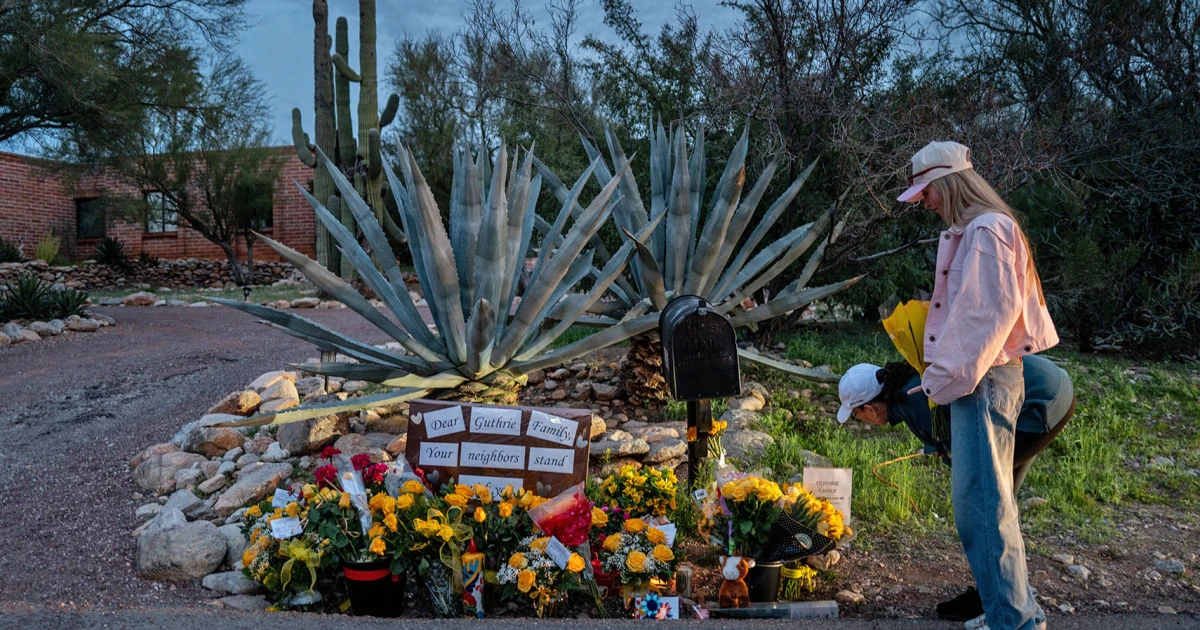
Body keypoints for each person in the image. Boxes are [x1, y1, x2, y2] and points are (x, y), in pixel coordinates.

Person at [884, 141, 1058, 630]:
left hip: (981, 383)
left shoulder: (988, 231)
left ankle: (1015, 622)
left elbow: (983, 319)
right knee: (988, 505)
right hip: (982, 380)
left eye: (928, 193)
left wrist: (936, 379)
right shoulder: (983, 230)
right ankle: (1013, 612)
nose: (927, 203)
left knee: (982, 508)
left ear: (948, 183)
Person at [837, 356, 1075, 621]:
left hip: (1037, 405)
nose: (862, 420)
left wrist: (944, 451)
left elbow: (962, 456)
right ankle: (1006, 596)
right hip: (1049, 390)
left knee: (983, 510)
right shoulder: (911, 384)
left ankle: (1009, 611)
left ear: (869, 408)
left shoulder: (911, 401)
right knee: (998, 506)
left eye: (857, 415)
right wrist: (940, 448)